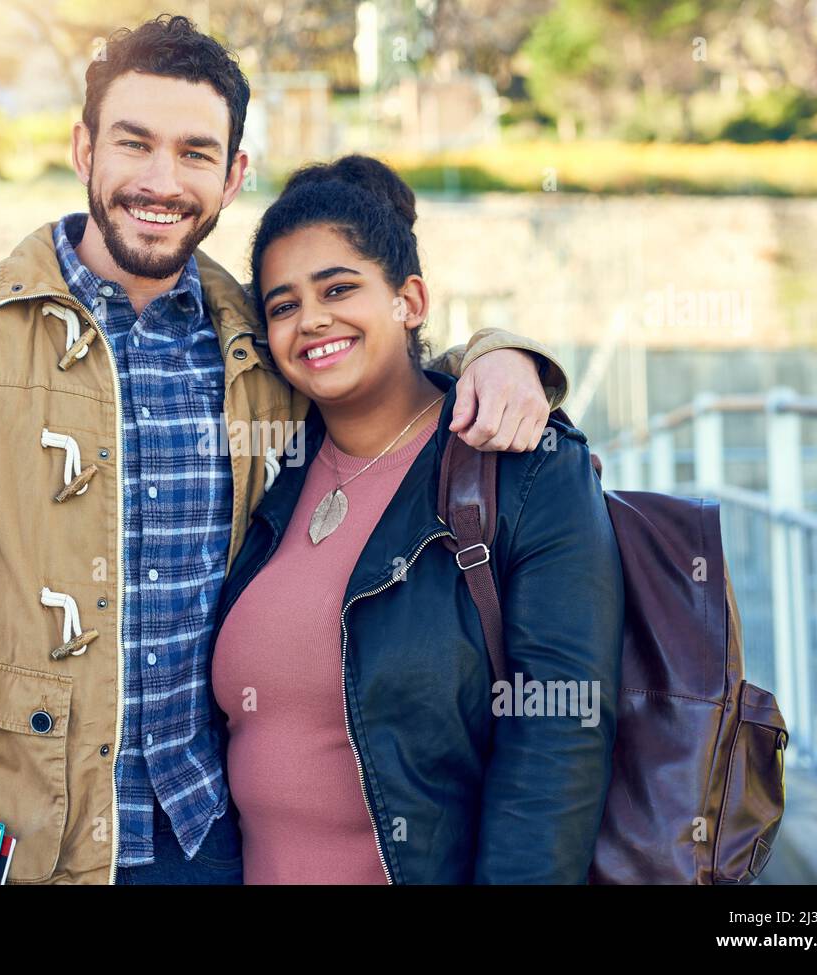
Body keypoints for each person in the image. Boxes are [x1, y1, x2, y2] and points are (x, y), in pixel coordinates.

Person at [0, 15, 571, 886]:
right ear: (84, 147)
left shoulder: (262, 339)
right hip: (10, 849)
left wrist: (500, 354)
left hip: (206, 845)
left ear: (235, 174)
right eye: (136, 144)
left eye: (197, 153)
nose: (163, 182)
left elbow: (379, 368)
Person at [209, 155, 624, 884]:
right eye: (282, 305)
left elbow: (561, 742)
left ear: (410, 300)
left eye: (339, 288)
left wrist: (503, 356)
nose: (312, 319)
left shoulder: (526, 466)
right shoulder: (268, 472)